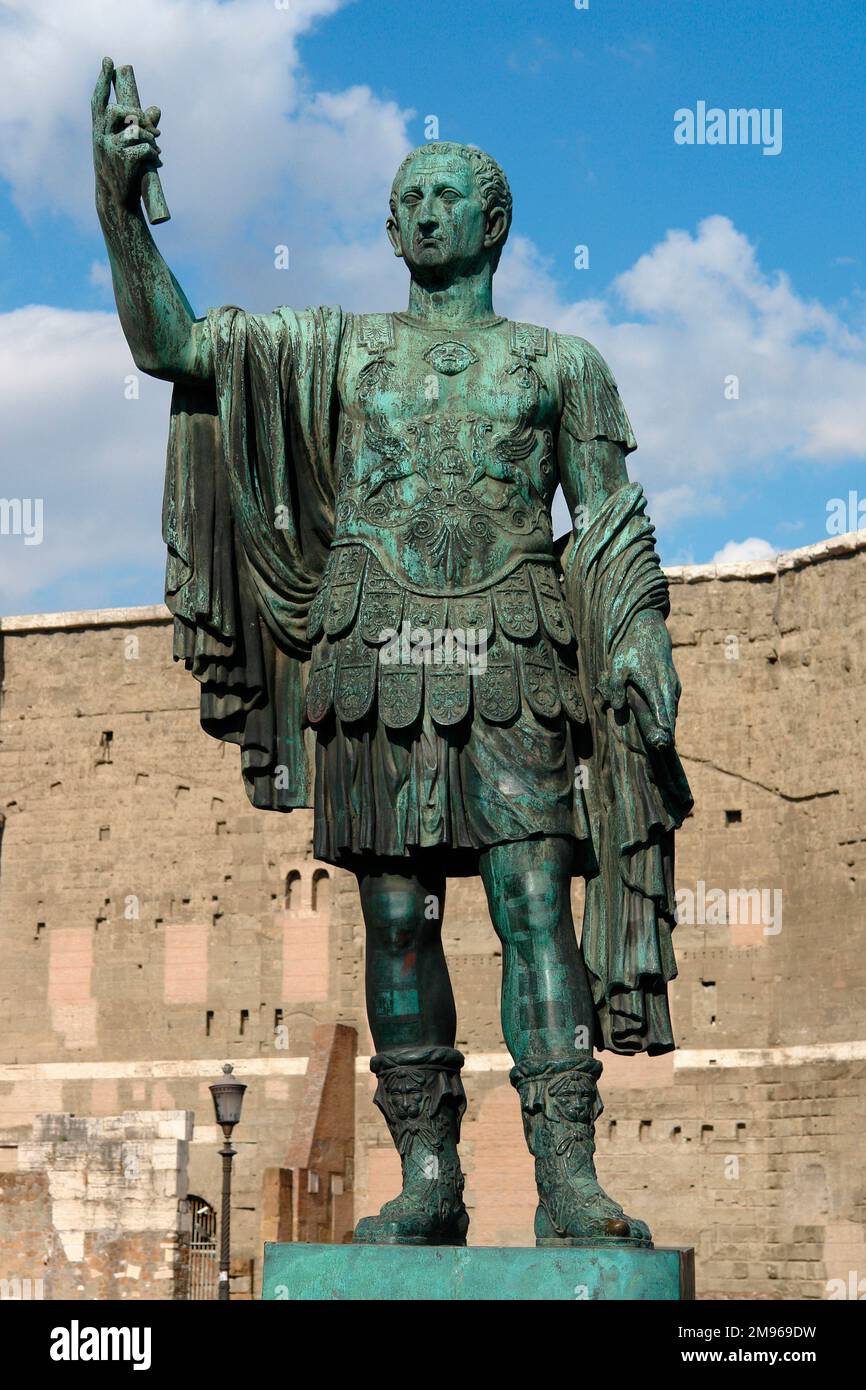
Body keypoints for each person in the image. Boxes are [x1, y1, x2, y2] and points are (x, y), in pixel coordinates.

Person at [93, 57, 692, 1248]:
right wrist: (119, 203)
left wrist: (633, 642)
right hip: (373, 656)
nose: (415, 212)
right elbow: (172, 347)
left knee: (536, 908)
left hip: (515, 651)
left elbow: (611, 523)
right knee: (397, 922)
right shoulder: (333, 348)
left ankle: (566, 1175)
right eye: (401, 198)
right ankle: (429, 1176)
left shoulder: (560, 362)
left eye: (440, 195)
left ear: (492, 222)